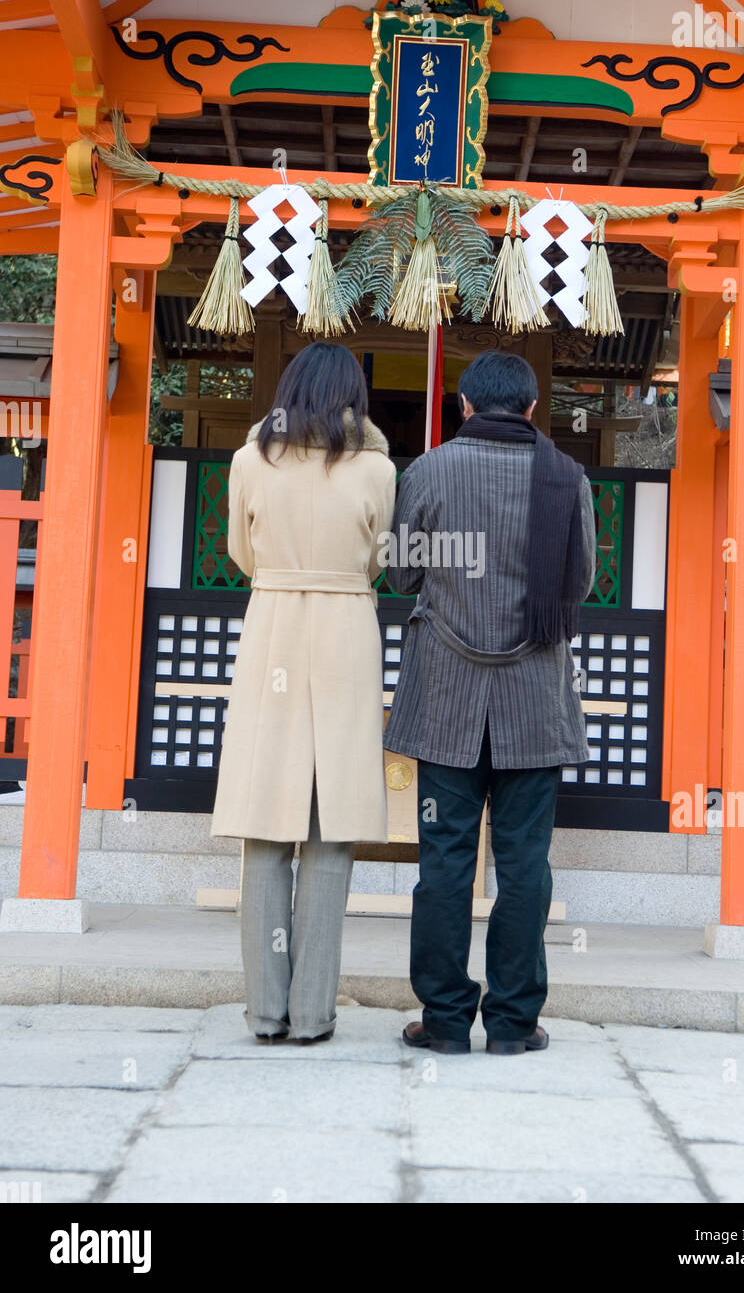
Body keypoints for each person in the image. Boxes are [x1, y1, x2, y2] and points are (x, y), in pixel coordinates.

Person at [383, 350, 596, 1056]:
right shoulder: (567, 478)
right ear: (532, 409)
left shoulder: (428, 471)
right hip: (533, 699)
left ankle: (443, 1021)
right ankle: (511, 1023)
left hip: (445, 695)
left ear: (465, 406)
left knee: (442, 859)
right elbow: (581, 583)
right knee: (525, 862)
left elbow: (402, 570)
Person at [211, 341, 396, 1045]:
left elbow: (239, 550)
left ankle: (264, 1012)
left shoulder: (247, 460)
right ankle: (315, 1014)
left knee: (264, 826)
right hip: (348, 627)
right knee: (330, 831)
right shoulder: (377, 468)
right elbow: (381, 555)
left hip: (273, 629)